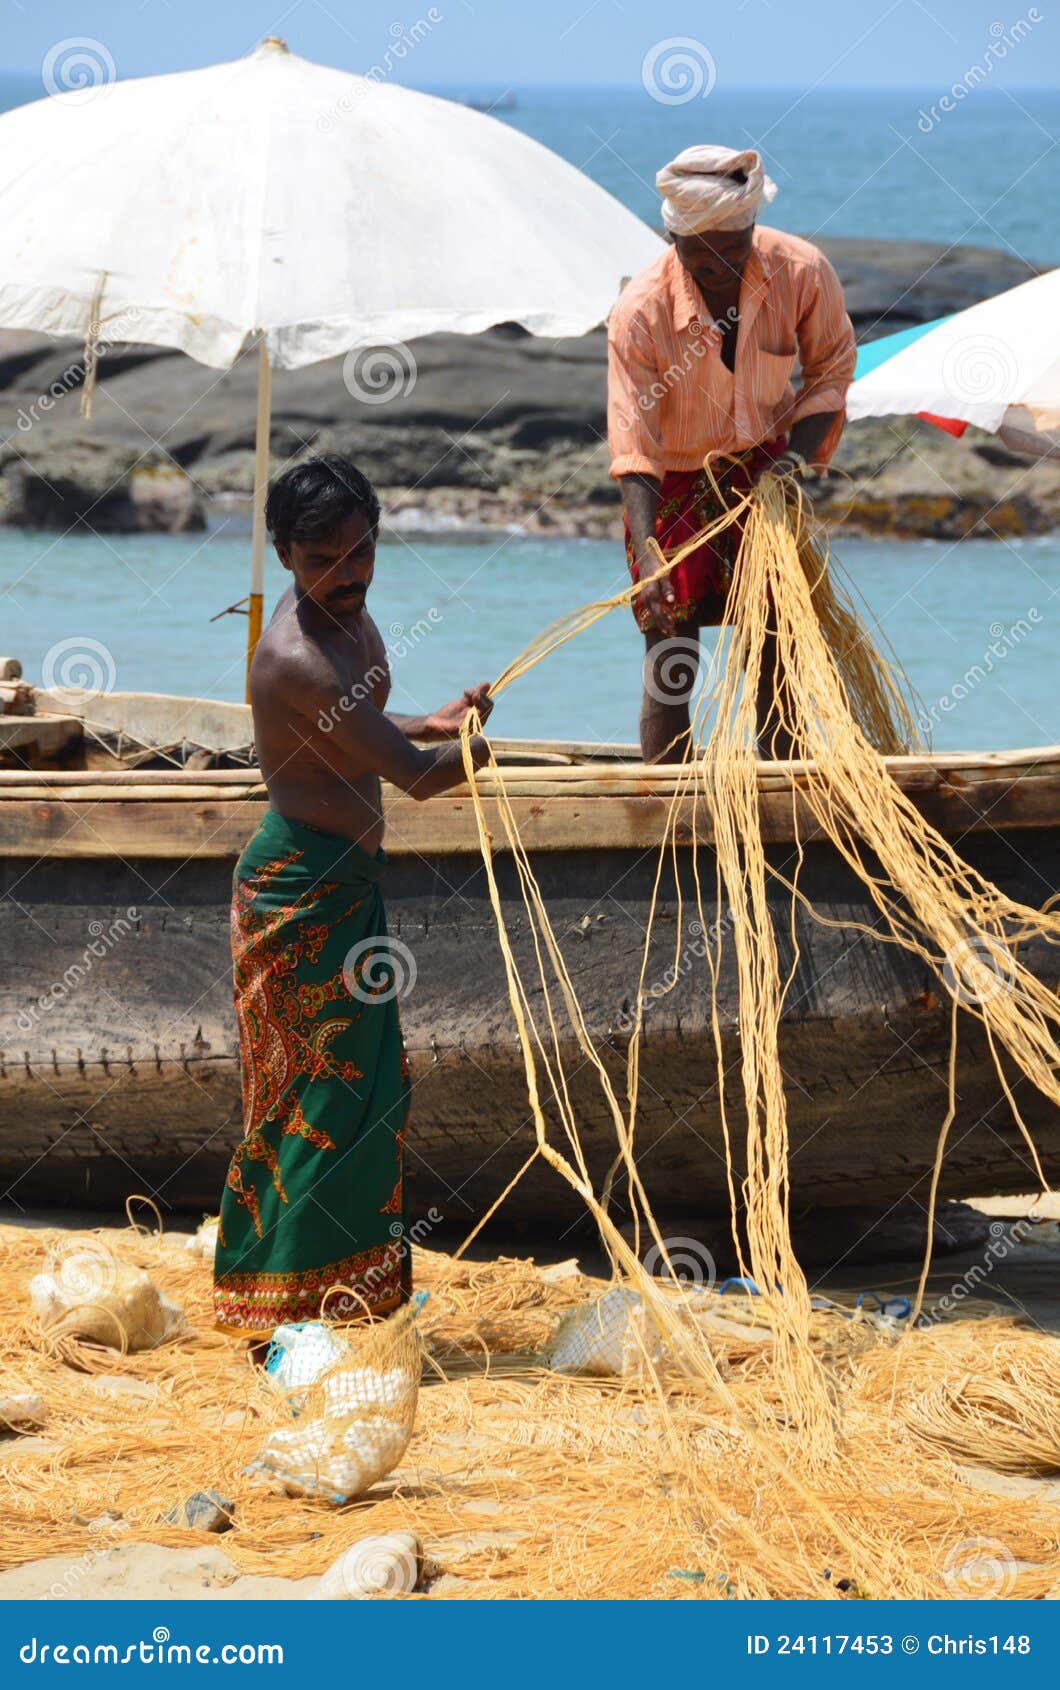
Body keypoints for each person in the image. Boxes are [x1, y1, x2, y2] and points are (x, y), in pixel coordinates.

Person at [213, 454, 492, 1336]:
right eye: (323, 556)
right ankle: (277, 1306)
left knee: (373, 1086)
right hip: (297, 893)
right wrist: (472, 756)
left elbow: (368, 728)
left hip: (349, 887)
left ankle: (347, 1294)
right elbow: (410, 778)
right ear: (287, 556)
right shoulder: (297, 654)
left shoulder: (355, 625)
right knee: (311, 1093)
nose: (348, 571)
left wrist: (437, 719)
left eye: (361, 549)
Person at [608, 144, 857, 762]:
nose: (720, 271)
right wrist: (648, 550)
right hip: (672, 483)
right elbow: (633, 441)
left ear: (752, 228)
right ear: (673, 238)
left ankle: (779, 801)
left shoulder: (801, 271)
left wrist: (791, 464)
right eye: (701, 259)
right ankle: (667, 812)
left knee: (779, 643)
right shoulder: (641, 311)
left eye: (734, 254)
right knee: (671, 653)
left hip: (767, 470)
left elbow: (831, 371)